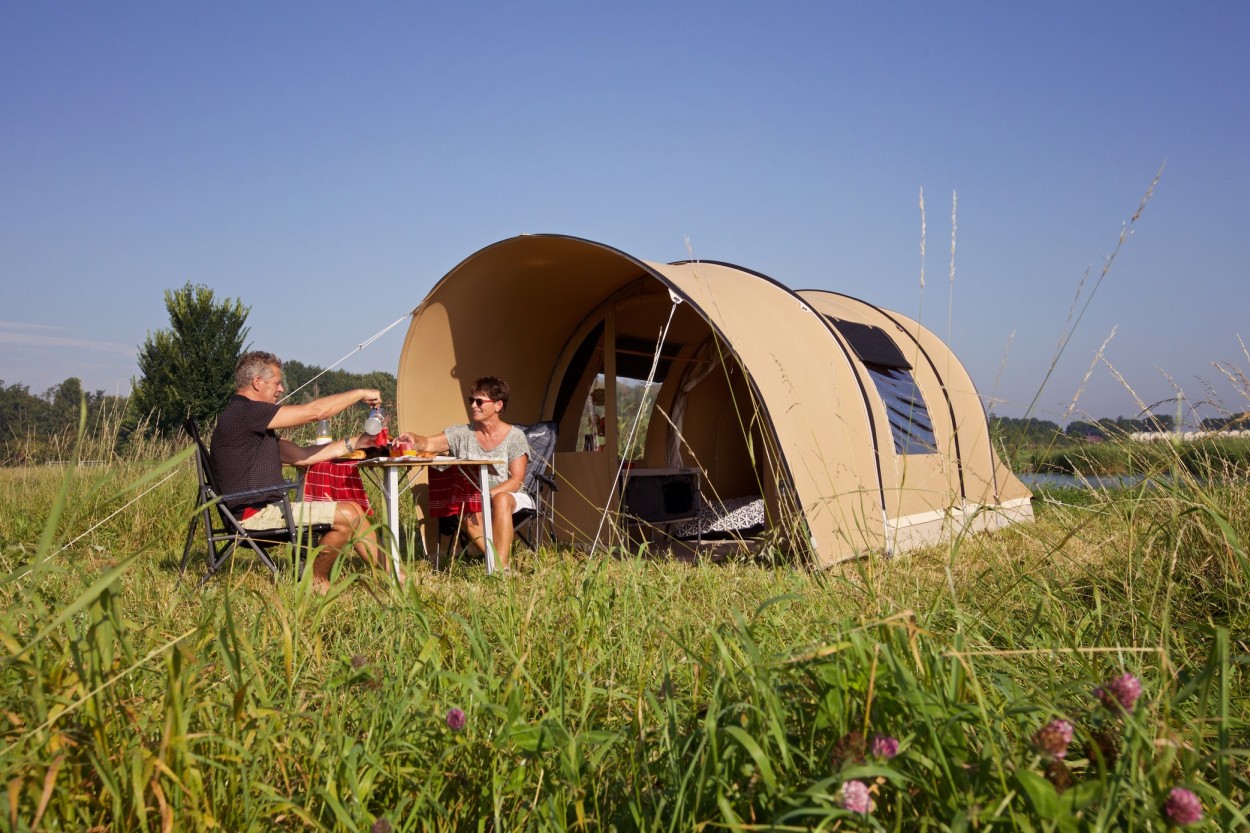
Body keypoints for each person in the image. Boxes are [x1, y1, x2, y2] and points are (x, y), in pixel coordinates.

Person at [211, 350, 401, 591]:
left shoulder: (247, 421)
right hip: (252, 516)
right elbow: (316, 412)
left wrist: (357, 442)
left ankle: (393, 575)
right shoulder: (247, 412)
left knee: (353, 508)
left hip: (260, 509)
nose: (281, 389)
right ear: (257, 383)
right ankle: (316, 580)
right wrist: (360, 393)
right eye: (277, 383)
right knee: (349, 516)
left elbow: (300, 457)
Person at [398, 376, 531, 570]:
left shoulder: (515, 436)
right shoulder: (461, 434)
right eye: (471, 401)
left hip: (509, 496)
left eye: (480, 401)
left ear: (498, 405)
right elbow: (427, 443)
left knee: (500, 499)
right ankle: (501, 569)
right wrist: (412, 438)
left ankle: (498, 567)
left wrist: (488, 495)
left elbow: (517, 480)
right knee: (468, 506)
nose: (474, 406)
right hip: (472, 499)